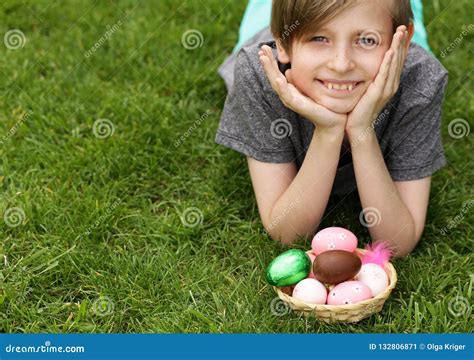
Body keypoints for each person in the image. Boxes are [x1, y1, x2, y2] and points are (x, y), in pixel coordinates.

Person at [214, 0, 449, 258]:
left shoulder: (419, 80)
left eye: (367, 40)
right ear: (281, 43)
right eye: (318, 37)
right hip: (269, 25)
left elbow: (399, 242)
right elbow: (287, 233)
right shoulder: (260, 74)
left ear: (401, 45)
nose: (341, 64)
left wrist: (362, 132)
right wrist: (328, 132)